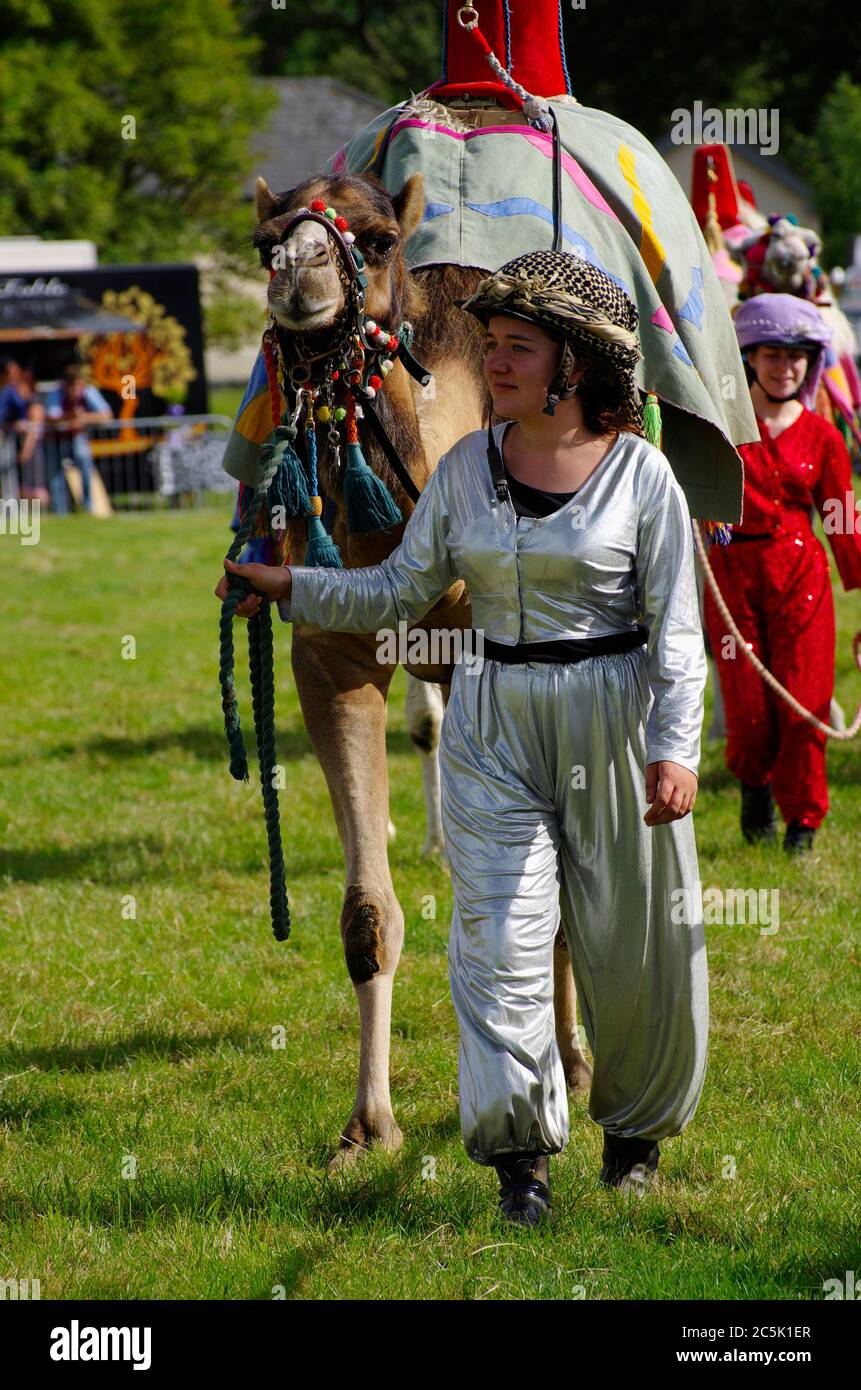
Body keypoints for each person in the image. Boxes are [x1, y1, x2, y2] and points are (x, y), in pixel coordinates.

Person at [214, 251, 709, 1226]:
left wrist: (674, 748)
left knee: (630, 943)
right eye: (491, 348)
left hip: (609, 723)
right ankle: (520, 1163)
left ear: (575, 365)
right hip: (491, 721)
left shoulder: (643, 477)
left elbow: (679, 632)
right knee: (498, 942)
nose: (494, 366)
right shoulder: (468, 473)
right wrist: (294, 587)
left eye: (517, 348)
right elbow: (395, 590)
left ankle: (635, 1140)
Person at [702, 295, 861, 853]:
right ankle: (754, 793)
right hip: (729, 579)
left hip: (802, 580)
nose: (784, 366)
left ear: (810, 362)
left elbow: (841, 519)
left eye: (796, 356)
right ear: (750, 356)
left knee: (805, 699)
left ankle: (803, 823)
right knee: (745, 708)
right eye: (772, 353)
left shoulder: (822, 435)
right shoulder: (720, 424)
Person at [44, 364, 112, 514]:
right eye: (72, 387)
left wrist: (85, 417)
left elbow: (106, 415)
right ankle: (59, 511)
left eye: (78, 385)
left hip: (76, 437)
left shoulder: (88, 392)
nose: (75, 390)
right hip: (55, 440)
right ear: (65, 385)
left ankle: (87, 507)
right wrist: (69, 417)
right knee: (56, 477)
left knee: (84, 463)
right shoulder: (56, 393)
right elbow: (51, 417)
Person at [0, 357, 48, 504]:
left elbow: (22, 409)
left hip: (9, 437)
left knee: (9, 471)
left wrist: (18, 423)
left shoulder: (10, 391)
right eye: (12, 373)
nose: (15, 376)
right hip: (5, 435)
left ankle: (10, 505)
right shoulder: (8, 391)